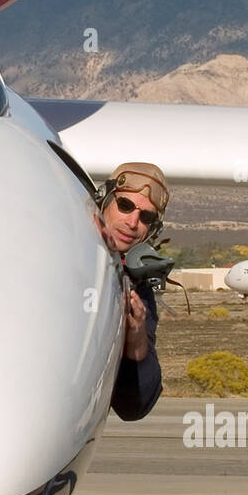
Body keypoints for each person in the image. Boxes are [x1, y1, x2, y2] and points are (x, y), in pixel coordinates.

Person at [95, 162, 170, 421]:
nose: (133, 222)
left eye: (146, 217)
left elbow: (134, 406)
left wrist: (136, 337)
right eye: (125, 206)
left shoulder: (136, 289)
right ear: (104, 201)